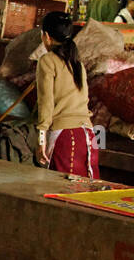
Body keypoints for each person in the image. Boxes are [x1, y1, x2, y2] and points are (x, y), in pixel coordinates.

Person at [34, 11, 98, 177]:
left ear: (46, 36)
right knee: (86, 195)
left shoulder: (47, 60)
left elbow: (45, 102)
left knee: (64, 195)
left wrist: (41, 139)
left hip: (66, 137)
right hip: (88, 136)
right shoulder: (77, 63)